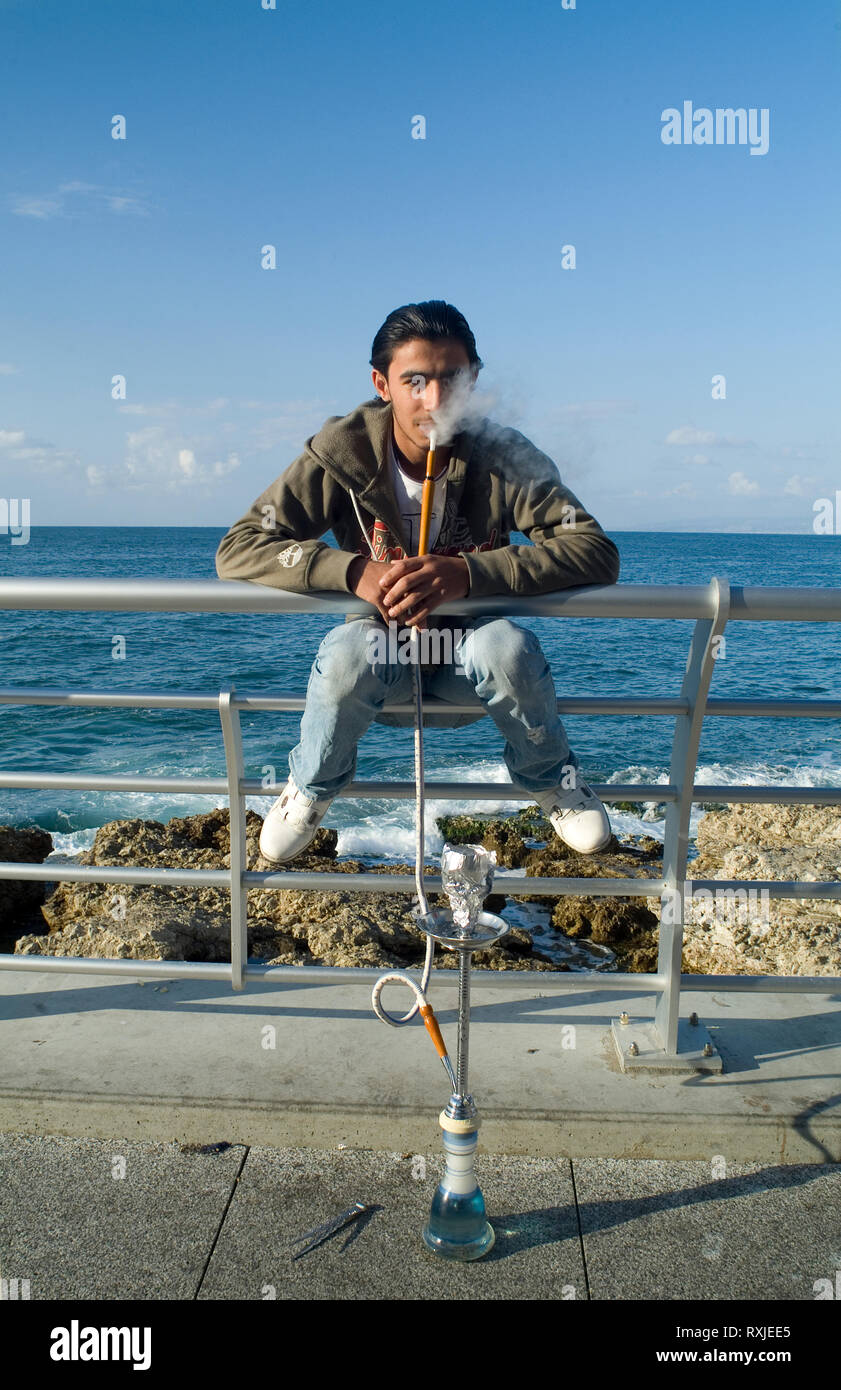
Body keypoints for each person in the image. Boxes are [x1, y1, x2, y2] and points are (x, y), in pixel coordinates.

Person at [215, 300, 621, 862]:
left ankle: (552, 781)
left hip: (466, 662)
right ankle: (309, 788)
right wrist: (355, 572)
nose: (434, 401)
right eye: (415, 381)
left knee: (509, 647)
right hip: (380, 662)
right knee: (345, 656)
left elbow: (594, 550)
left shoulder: (505, 455)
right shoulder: (341, 453)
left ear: (474, 382)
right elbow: (240, 546)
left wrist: (467, 575)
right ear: (382, 383)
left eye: (451, 380)